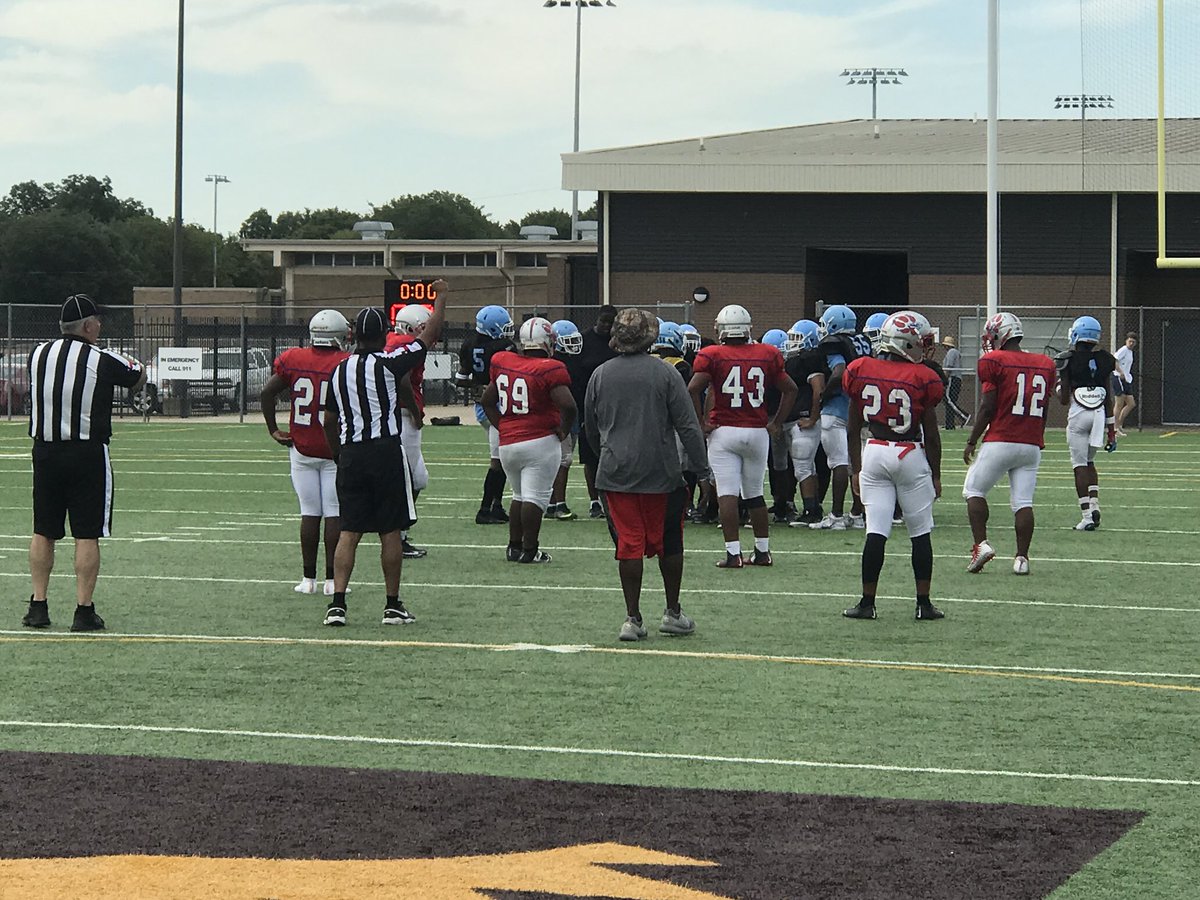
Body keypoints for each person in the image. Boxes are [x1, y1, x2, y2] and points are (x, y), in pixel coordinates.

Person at [321, 293, 447, 627]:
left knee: (349, 531)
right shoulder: (390, 362)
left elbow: (329, 421)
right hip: (385, 452)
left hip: (351, 453)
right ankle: (392, 605)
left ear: (353, 335)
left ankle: (337, 604)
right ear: (383, 335)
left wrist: (338, 454)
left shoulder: (338, 371)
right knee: (390, 531)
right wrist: (442, 297)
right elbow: (428, 336)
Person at [24, 293, 147, 632]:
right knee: (86, 533)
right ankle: (83, 610)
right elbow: (137, 375)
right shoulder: (101, 358)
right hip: (86, 453)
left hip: (45, 451)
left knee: (43, 530)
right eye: (98, 321)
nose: (101, 326)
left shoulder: (38, 354)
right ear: (89, 325)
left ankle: (38, 605)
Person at [585, 308, 710, 641]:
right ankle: (672, 611)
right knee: (670, 542)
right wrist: (703, 470)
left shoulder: (600, 374)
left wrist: (607, 456)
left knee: (629, 545)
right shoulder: (666, 374)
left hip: (615, 473)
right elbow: (687, 425)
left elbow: (591, 428)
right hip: (662, 473)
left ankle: (632, 617)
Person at [841, 311, 946, 622]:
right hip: (910, 453)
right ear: (905, 342)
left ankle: (867, 603)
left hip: (874, 452)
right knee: (920, 532)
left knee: (876, 530)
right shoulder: (923, 377)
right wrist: (936, 473)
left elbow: (852, 426)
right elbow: (931, 431)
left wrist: (855, 470)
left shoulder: (860, 370)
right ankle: (923, 604)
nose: (924, 348)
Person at [687, 304, 797, 568]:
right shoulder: (767, 353)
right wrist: (777, 422)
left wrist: (701, 421)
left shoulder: (712, 354)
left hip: (724, 431)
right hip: (757, 432)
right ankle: (762, 551)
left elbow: (693, 388)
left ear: (721, 329)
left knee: (727, 493)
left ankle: (733, 554)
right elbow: (790, 389)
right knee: (755, 493)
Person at [260, 309, 351, 595]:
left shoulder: (294, 358)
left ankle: (308, 580)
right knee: (334, 513)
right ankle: (331, 582)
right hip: (334, 448)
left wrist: (273, 429)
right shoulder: (346, 362)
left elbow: (266, 393)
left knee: (309, 513)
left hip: (301, 447)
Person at [961, 313, 1057, 575]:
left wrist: (972, 440)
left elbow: (987, 406)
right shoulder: (1044, 363)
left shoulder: (994, 361)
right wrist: (1038, 436)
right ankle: (1022, 559)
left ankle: (981, 545)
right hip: (1030, 443)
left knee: (973, 490)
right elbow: (1045, 408)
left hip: (1001, 439)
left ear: (1000, 335)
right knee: (1023, 502)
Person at [481, 317, 576, 564]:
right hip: (539, 440)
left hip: (509, 443)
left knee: (519, 495)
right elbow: (568, 405)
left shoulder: (503, 361)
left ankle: (514, 547)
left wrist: (503, 426)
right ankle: (530, 550)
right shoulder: (549, 368)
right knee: (535, 497)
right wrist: (564, 429)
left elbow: (487, 401)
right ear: (547, 342)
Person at [387, 300, 441, 558]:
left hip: (403, 416)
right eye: (423, 327)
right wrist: (415, 412)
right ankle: (396, 536)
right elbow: (403, 380)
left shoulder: (397, 342)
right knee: (406, 479)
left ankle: (400, 533)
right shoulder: (402, 345)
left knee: (418, 479)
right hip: (402, 416)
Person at [1055, 315, 1118, 532]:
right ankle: (1094, 504)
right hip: (1100, 414)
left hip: (1079, 413)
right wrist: (1112, 430)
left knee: (1079, 464)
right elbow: (1108, 397)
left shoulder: (1067, 359)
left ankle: (1086, 516)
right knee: (1090, 461)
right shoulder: (1105, 359)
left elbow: (1063, 399)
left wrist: (1058, 389)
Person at [455, 305, 515, 525]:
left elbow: (460, 380)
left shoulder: (469, 344)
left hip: (481, 408)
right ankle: (485, 509)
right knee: (498, 461)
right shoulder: (504, 346)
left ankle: (497, 506)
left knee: (504, 459)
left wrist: (479, 386)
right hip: (497, 407)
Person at [810, 304, 859, 530]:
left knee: (839, 463)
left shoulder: (835, 346)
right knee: (855, 465)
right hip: (855, 409)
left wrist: (824, 395)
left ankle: (836, 516)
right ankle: (857, 514)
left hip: (836, 409)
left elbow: (838, 371)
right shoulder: (861, 344)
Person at [782, 320, 829, 527]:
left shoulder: (811, 359)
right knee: (807, 467)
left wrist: (813, 417)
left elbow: (819, 389)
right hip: (795, 420)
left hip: (803, 420)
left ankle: (810, 510)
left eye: (796, 338)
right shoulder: (802, 359)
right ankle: (814, 508)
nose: (791, 342)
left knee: (802, 467)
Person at [575, 306, 620, 518]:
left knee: (614, 454)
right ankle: (595, 501)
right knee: (590, 458)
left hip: (614, 406)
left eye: (610, 323)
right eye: (603, 321)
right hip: (589, 405)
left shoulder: (618, 343)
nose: (605, 326)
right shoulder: (584, 340)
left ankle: (612, 498)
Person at [546, 319, 584, 521]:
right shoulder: (555, 364)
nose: (573, 344)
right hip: (561, 414)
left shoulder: (571, 360)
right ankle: (558, 504)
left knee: (561, 459)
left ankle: (552, 503)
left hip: (573, 413)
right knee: (563, 459)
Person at [1113, 332, 1137, 436]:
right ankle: (1114, 428)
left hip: (1126, 379)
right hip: (1118, 377)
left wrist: (1126, 375)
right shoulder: (1123, 350)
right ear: (1126, 341)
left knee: (1131, 403)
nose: (1131, 343)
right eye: (1129, 341)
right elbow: (1114, 360)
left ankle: (1119, 425)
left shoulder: (1130, 352)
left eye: (1133, 342)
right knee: (1119, 403)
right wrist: (1121, 372)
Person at [942, 336, 964, 429]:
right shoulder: (956, 352)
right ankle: (949, 424)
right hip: (956, 378)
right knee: (950, 402)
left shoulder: (951, 352)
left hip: (952, 378)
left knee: (949, 401)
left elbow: (949, 367)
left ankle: (964, 416)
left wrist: (944, 379)